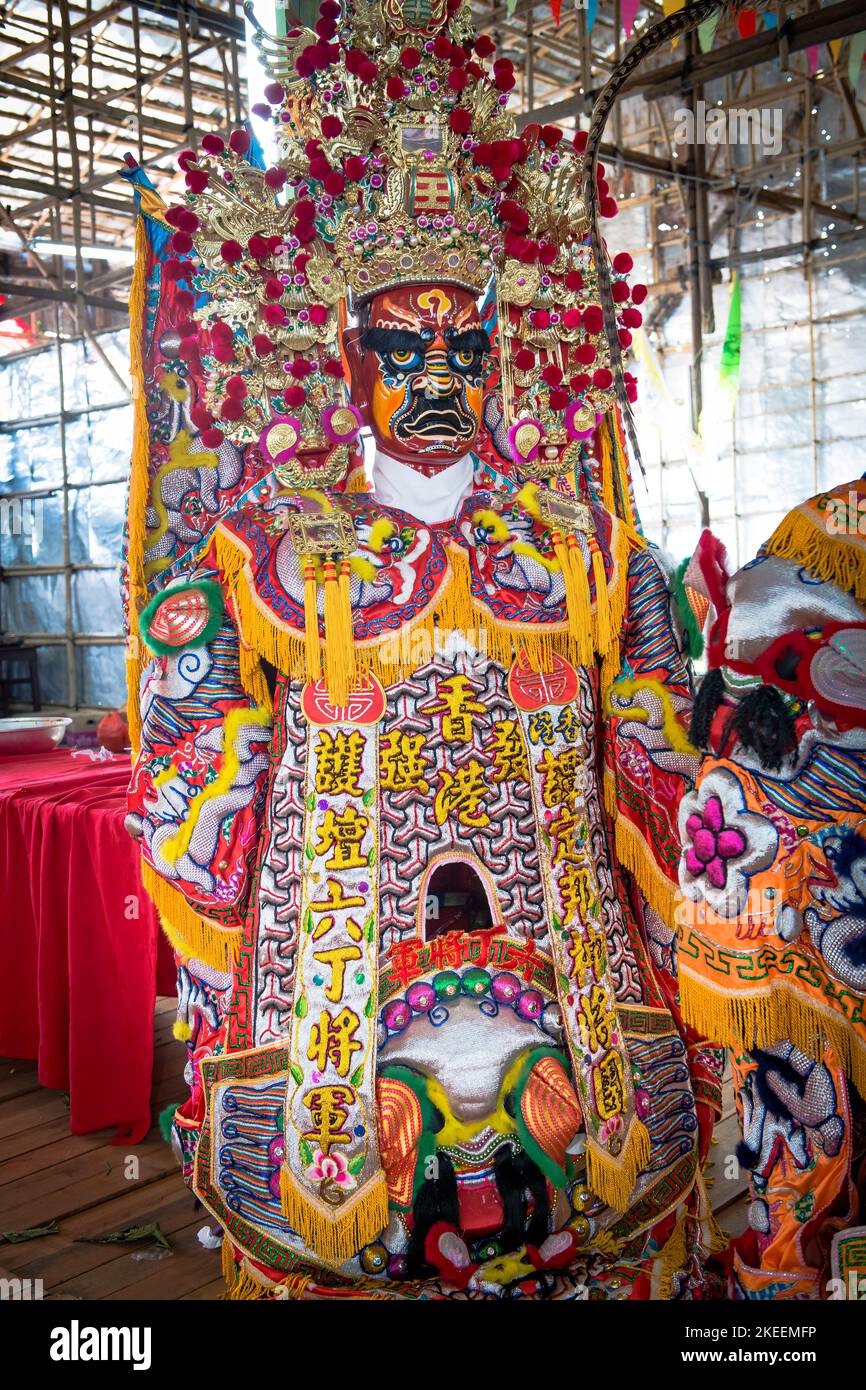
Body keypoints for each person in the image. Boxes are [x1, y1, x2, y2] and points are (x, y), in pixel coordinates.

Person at [123, 0, 726, 1299]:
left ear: (501, 352)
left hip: (572, 966)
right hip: (333, 975)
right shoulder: (270, 554)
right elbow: (189, 746)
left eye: (466, 343)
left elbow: (655, 732)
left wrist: (679, 850)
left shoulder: (572, 543)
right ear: (349, 354)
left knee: (598, 1206)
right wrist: (242, 870)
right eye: (406, 345)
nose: (439, 370)